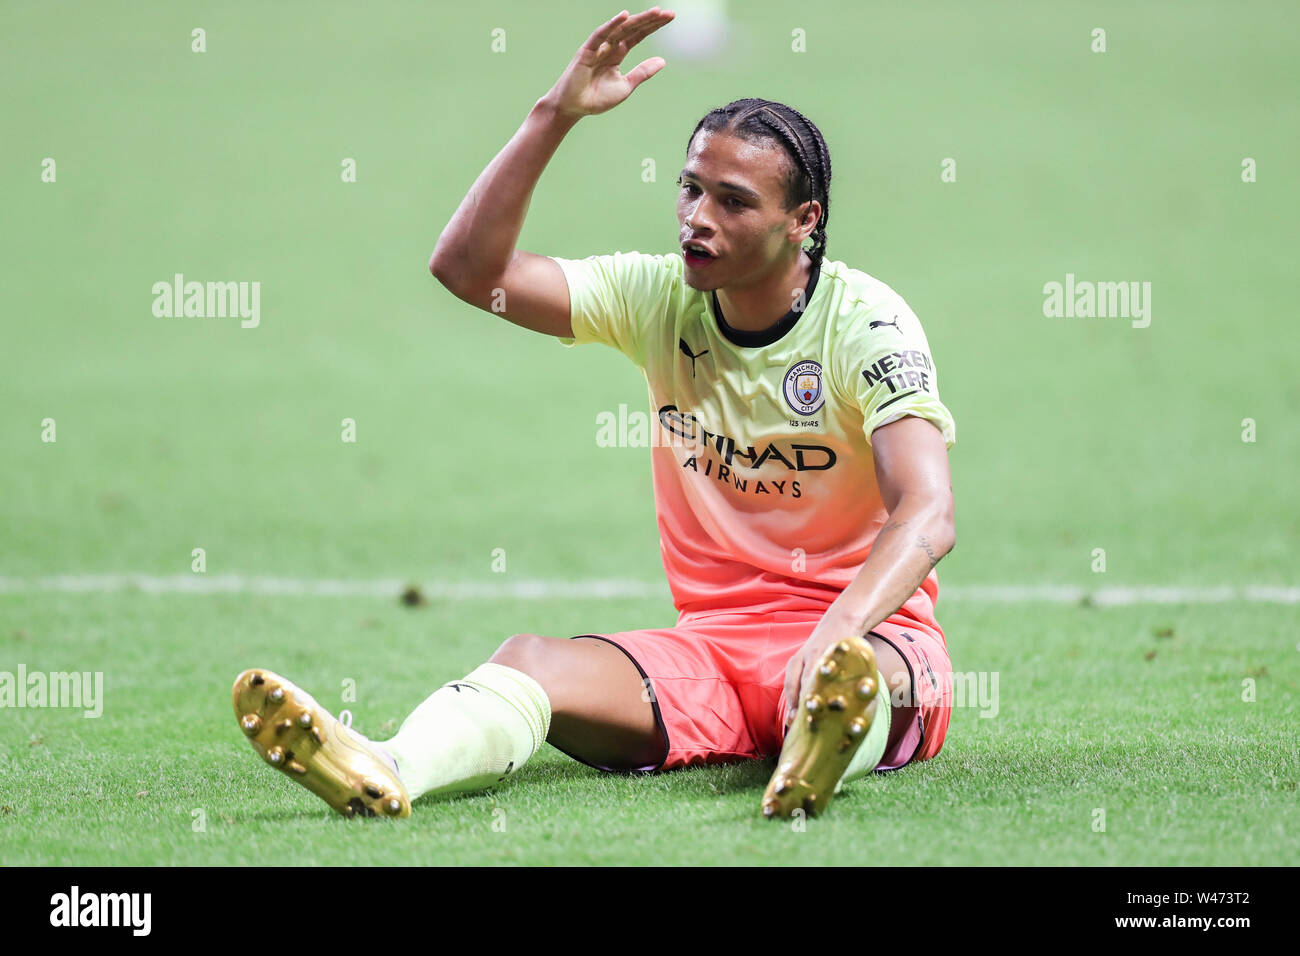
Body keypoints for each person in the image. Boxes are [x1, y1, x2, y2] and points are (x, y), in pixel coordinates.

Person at [232, 6, 957, 821]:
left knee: (844, 687)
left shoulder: (868, 325)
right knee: (530, 660)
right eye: (689, 189)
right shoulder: (659, 297)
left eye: (733, 201)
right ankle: (389, 763)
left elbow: (927, 511)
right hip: (712, 655)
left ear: (804, 222)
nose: (697, 218)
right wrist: (556, 114)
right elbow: (471, 269)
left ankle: (817, 750)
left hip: (875, 643)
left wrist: (840, 630)